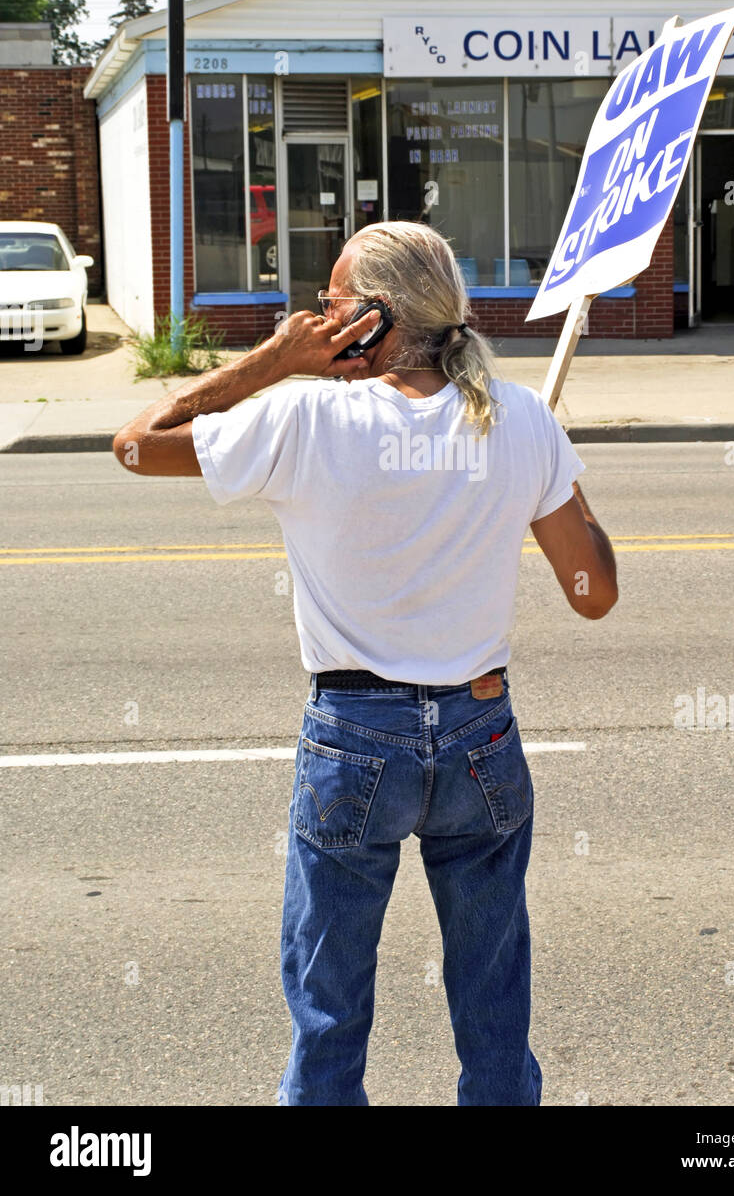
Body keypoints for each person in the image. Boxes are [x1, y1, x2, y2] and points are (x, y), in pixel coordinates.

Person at [112, 220, 618, 1106]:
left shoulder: (301, 415)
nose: (312, 318)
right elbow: (594, 591)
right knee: (494, 1004)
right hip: (480, 737)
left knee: (329, 1007)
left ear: (371, 322)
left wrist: (271, 360)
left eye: (328, 306)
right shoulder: (519, 420)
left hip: (355, 738)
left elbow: (134, 441)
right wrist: (553, 471)